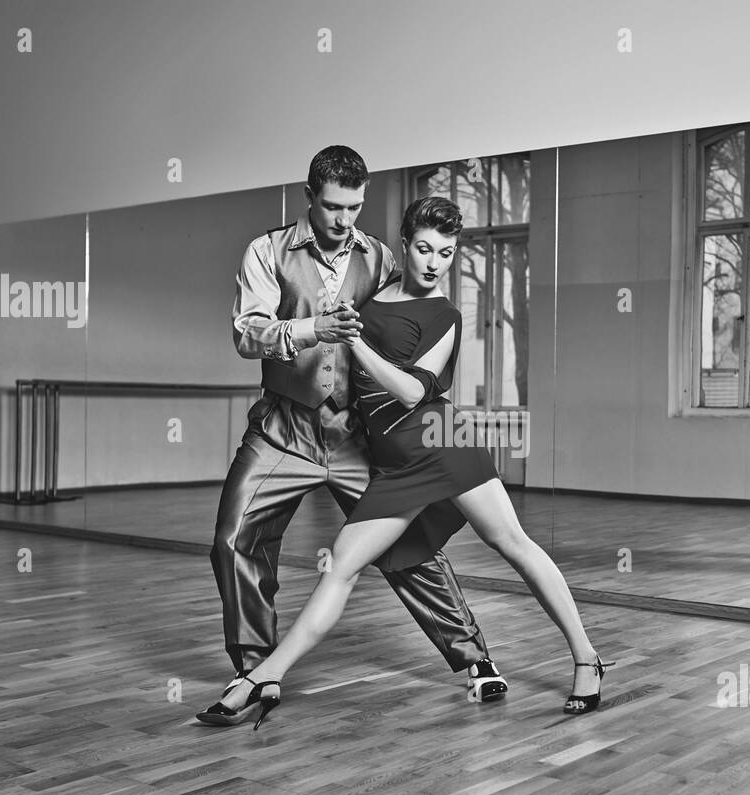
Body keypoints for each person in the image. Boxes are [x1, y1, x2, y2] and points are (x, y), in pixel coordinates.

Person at [212, 196, 614, 728]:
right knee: (343, 564)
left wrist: (354, 344)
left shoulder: (445, 314)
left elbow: (408, 392)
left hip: (444, 442)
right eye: (425, 249)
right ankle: (267, 675)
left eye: (446, 254)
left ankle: (587, 658)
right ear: (404, 244)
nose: (433, 263)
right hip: (395, 466)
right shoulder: (375, 292)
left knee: (513, 543)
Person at [198, 147, 508, 728]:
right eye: (335, 207)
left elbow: (412, 323)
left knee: (405, 540)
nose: (345, 220)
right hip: (283, 426)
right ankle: (257, 670)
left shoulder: (384, 257)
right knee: (233, 536)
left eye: (356, 207)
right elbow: (247, 335)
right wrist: (314, 327)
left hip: (356, 432)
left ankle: (474, 659)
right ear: (309, 197)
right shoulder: (266, 252)